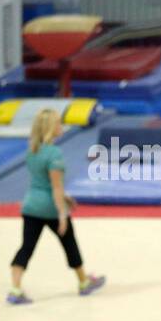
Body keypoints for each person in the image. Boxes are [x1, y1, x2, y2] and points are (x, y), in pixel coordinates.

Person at [7, 109, 105, 305]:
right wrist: (62, 214)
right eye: (59, 124)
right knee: (69, 243)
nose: (62, 126)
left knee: (26, 247)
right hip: (50, 207)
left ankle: (15, 289)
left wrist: (65, 197)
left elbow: (41, 181)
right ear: (51, 129)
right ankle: (84, 282)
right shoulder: (54, 154)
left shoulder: (32, 150)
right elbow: (56, 187)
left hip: (31, 206)